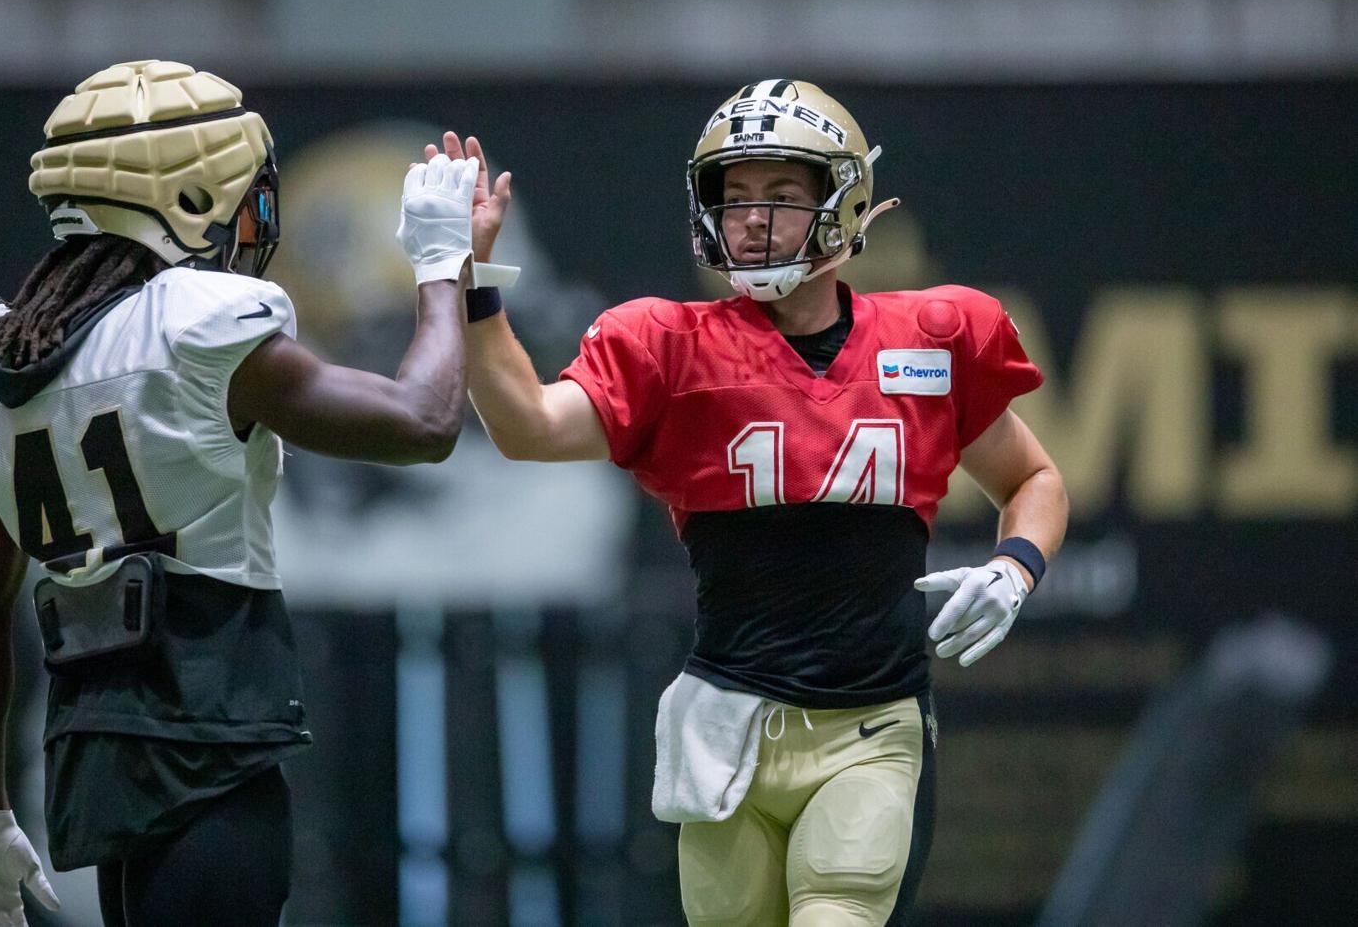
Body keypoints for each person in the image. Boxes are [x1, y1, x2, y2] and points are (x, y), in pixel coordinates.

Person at [454, 79, 1069, 925]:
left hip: (869, 727)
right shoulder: (668, 346)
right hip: (728, 725)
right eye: (734, 196)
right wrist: (472, 283)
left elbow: (1033, 481)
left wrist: (1015, 567)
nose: (751, 219)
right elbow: (525, 427)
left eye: (781, 196)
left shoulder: (933, 338)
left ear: (845, 203)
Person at [0, 59, 480, 927]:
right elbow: (425, 420)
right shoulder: (196, 322)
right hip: (209, 739)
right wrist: (443, 265)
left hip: (88, 756)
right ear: (192, 198)